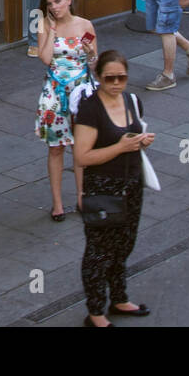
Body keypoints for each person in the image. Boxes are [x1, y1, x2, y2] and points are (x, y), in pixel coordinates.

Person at [73, 50, 155, 327]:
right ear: (98, 78)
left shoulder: (132, 101)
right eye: (110, 79)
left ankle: (119, 299)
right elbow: (82, 157)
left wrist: (141, 141)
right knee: (98, 252)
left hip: (131, 184)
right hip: (102, 188)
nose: (116, 83)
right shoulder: (90, 109)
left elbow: (131, 134)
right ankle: (95, 312)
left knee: (123, 245)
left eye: (122, 77)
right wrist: (121, 146)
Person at [36, 0, 96, 220]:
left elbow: (94, 63)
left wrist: (90, 52)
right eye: (50, 4)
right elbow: (45, 58)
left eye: (58, 1)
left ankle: (82, 197)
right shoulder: (44, 25)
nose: (54, 7)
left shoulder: (85, 25)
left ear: (69, 0)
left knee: (80, 147)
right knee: (55, 148)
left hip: (79, 92)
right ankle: (58, 203)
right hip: (54, 93)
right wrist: (51, 31)